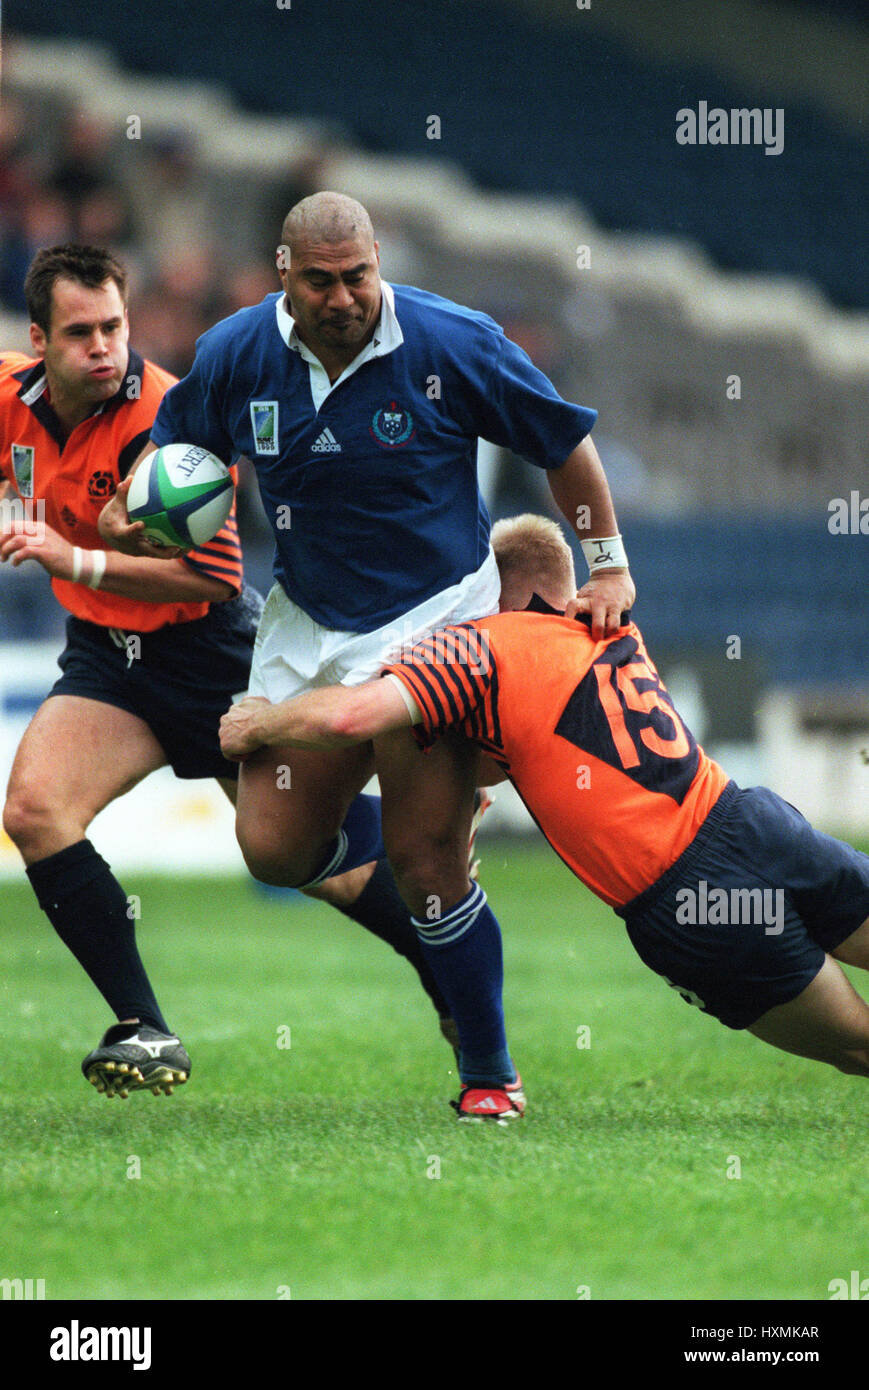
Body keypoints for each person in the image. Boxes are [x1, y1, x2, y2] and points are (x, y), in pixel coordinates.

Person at [98, 191, 635, 1119]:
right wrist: (130, 514)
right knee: (273, 849)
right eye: (322, 280)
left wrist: (608, 563)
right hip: (307, 624)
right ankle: (435, 845)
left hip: (439, 622)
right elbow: (172, 454)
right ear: (284, 275)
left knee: (430, 872)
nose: (344, 297)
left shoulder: (450, 341)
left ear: (377, 263)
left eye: (358, 276)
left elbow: (564, 444)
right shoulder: (235, 354)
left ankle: (488, 1075)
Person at [0, 243, 472, 1101]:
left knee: (313, 865)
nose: (104, 346)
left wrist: (75, 559)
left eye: (114, 325)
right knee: (35, 812)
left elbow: (214, 575)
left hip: (209, 655)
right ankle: (143, 1027)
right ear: (38, 340)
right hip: (109, 659)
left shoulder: (172, 420)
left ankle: (449, 967)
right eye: (80, 334)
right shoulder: (10, 397)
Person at [220, 513, 869, 1105]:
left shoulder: (480, 646)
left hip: (684, 896)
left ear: (488, 598)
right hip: (755, 823)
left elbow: (351, 715)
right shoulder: (605, 623)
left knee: (857, 1047)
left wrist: (260, 723)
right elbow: (527, 743)